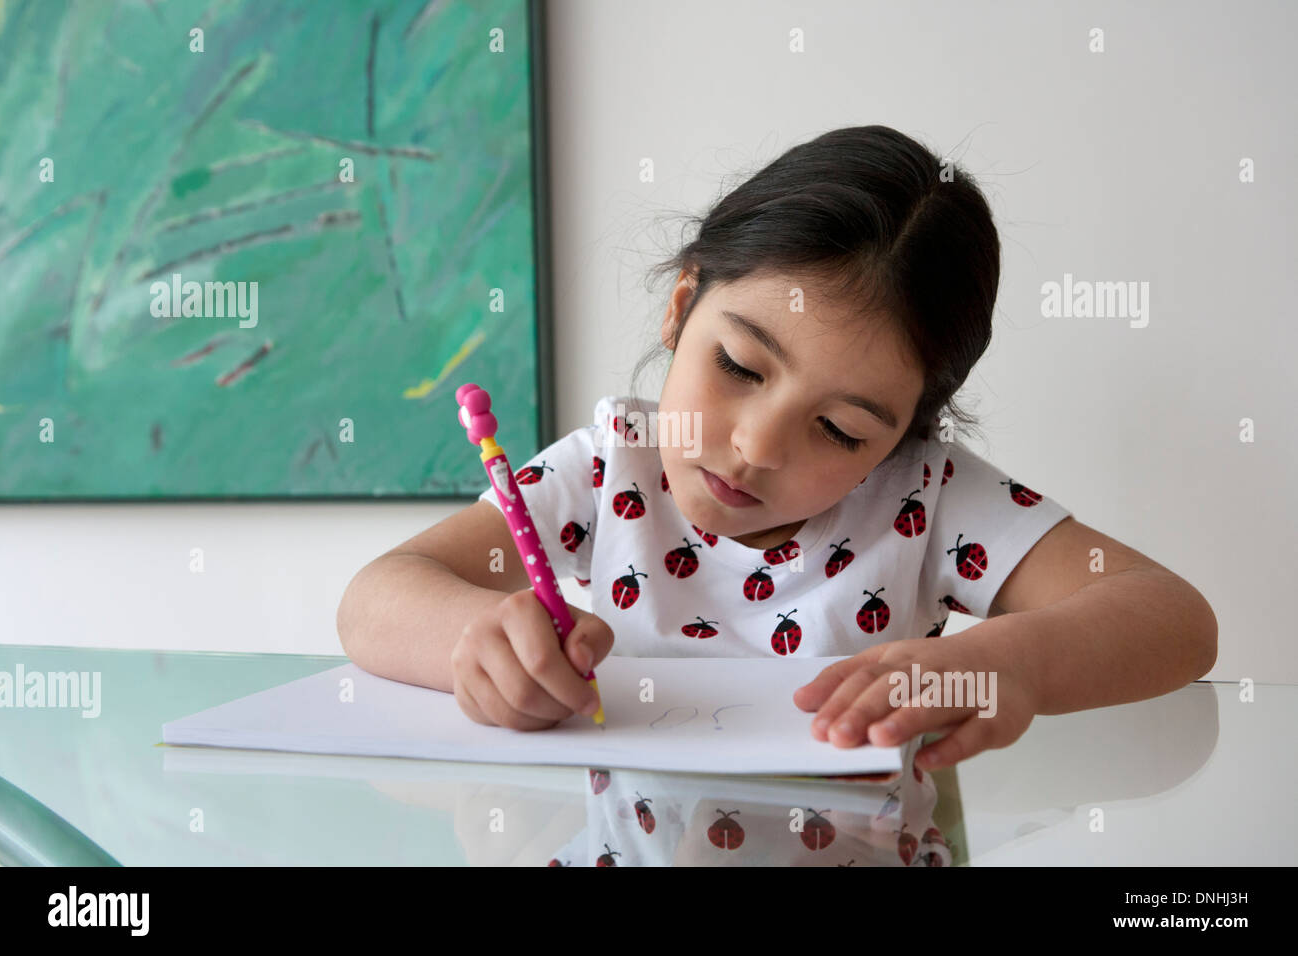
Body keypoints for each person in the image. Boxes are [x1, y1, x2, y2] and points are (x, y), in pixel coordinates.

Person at [336, 125, 1217, 865]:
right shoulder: (613, 468)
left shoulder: (925, 499)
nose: (755, 447)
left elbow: (1172, 617)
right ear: (682, 308)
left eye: (840, 430)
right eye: (738, 367)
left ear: (906, 433)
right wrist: (476, 640)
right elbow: (377, 598)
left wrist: (1010, 664)